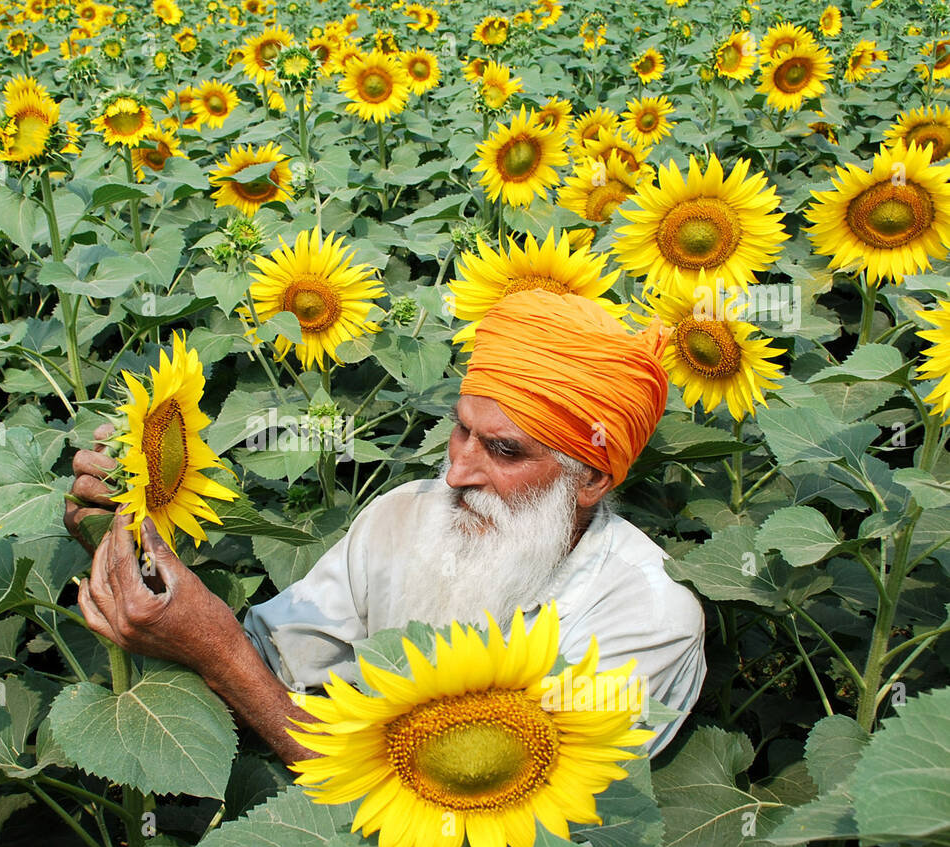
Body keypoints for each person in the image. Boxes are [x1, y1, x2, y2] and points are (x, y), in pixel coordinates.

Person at [64, 289, 706, 763]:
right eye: (460, 430)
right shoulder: (408, 515)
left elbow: (477, 826)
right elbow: (280, 662)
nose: (456, 473)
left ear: (591, 479)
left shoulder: (644, 619)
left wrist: (221, 655)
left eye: (504, 451)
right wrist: (138, 553)